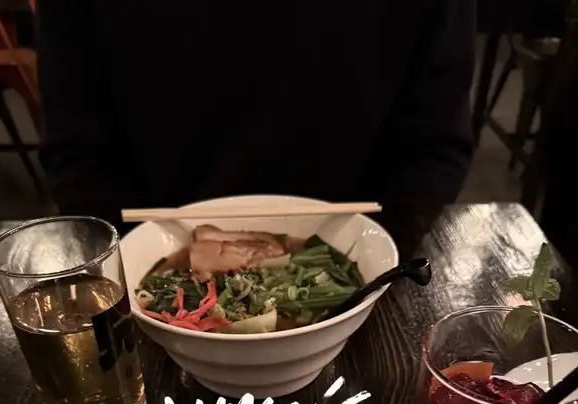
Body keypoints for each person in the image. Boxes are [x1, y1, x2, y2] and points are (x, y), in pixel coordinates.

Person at [36, 0, 476, 255]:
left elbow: (431, 144)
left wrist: (366, 262)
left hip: (360, 267)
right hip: (150, 276)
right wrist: (148, 265)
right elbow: (79, 151)